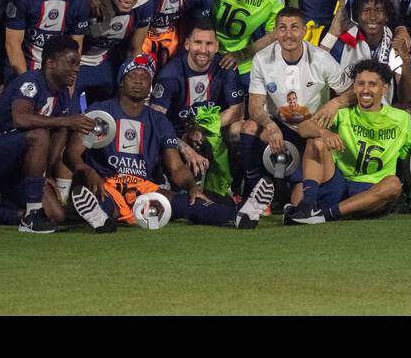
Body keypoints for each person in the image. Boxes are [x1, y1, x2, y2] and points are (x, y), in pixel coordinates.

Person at [64, 54, 269, 232]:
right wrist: (86, 171)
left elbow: (176, 166)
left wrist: (191, 186)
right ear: (121, 81)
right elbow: (72, 153)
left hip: (145, 188)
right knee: (104, 200)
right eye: (132, 76)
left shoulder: (158, 120)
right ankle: (100, 216)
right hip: (107, 182)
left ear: (150, 86)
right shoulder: (102, 111)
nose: (138, 81)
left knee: (191, 202)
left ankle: (239, 215)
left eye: (144, 77)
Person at [0, 35, 95, 232]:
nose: (77, 69)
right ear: (51, 63)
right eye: (71, 63)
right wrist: (67, 121)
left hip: (17, 167)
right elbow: (22, 118)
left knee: (55, 215)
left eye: (78, 63)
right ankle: (31, 216)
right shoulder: (30, 82)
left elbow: (61, 131)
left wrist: (43, 174)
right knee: (39, 133)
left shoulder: (62, 93)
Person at [284, 60, 411, 224]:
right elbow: (303, 127)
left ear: (385, 89)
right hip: (339, 185)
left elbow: (409, 160)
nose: (365, 90)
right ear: (353, 88)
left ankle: (324, 214)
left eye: (372, 84)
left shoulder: (402, 119)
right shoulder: (342, 113)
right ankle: (308, 207)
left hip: (372, 192)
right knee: (316, 142)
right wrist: (323, 132)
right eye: (360, 84)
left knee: (394, 184)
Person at [245, 8, 354, 201]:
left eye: (294, 28)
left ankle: (289, 191)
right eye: (283, 28)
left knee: (298, 199)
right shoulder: (262, 59)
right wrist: (270, 126)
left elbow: (352, 91)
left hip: (311, 130)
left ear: (304, 31)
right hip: (278, 126)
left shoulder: (321, 59)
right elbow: (254, 106)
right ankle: (253, 191)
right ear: (276, 32)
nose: (289, 34)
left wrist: (336, 102)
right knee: (247, 127)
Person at [150, 21, 248, 196]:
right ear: (187, 44)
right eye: (198, 43)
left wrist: (202, 129)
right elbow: (155, 121)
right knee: (155, 139)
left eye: (209, 44)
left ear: (217, 46)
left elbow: (237, 111)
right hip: (176, 135)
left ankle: (237, 187)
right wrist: (184, 147)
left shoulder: (226, 68)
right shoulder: (170, 75)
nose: (203, 50)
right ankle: (163, 179)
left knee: (238, 130)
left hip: (211, 131)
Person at [325, 0, 411, 106]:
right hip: (351, 110)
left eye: (378, 10)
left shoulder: (396, 44)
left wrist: (406, 61)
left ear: (387, 16)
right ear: (357, 16)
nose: (372, 16)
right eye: (366, 10)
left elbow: (405, 98)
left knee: (408, 111)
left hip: (383, 112)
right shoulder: (342, 44)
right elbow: (331, 91)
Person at [77, 0, 153, 102]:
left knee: (104, 116)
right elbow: (73, 44)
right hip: (76, 62)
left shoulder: (144, 2)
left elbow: (135, 48)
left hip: (104, 62)